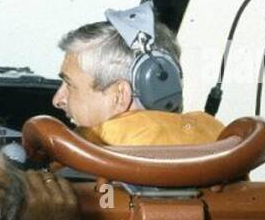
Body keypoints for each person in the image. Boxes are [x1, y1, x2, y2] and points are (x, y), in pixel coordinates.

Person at [53, 9, 226, 146]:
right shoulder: (223, 149)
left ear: (120, 97)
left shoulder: (88, 171)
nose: (57, 100)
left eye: (69, 85)